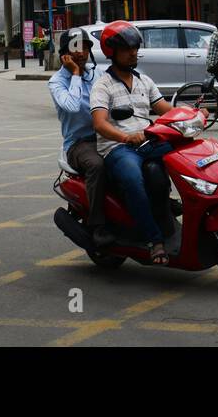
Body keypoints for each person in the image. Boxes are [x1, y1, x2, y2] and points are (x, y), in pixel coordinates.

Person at [91, 21, 176, 264]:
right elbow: (99, 124)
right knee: (132, 179)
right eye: (127, 49)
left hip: (147, 143)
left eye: (135, 48)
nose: (133, 53)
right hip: (119, 148)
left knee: (185, 156)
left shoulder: (144, 81)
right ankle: (154, 240)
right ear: (112, 52)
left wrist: (190, 114)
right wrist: (126, 137)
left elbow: (165, 109)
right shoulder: (103, 85)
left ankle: (168, 208)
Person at [49, 28, 110, 245]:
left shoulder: (99, 74)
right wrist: (75, 74)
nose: (81, 53)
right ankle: (97, 223)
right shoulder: (57, 82)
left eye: (84, 47)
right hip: (79, 143)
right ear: (65, 54)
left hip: (107, 135)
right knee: (96, 165)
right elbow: (73, 106)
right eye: (75, 48)